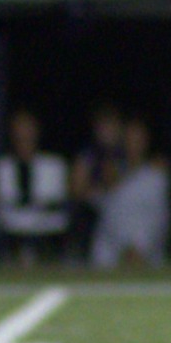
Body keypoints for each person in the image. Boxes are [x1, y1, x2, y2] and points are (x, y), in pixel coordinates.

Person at [0, 108, 70, 263]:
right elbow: (1, 201)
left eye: (28, 130)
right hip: (11, 226)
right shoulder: (3, 166)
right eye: (19, 131)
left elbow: (57, 201)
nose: (24, 136)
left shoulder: (53, 164)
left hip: (47, 226)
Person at [92, 117, 169, 268]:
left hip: (143, 234)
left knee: (141, 234)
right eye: (128, 138)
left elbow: (156, 213)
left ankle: (135, 252)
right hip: (111, 239)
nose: (133, 143)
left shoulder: (156, 172)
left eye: (138, 139)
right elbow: (94, 198)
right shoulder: (111, 171)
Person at [69, 103, 131, 261]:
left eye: (112, 127)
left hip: (124, 205)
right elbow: (77, 189)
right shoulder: (88, 154)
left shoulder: (128, 152)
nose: (108, 132)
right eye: (104, 127)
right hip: (95, 205)